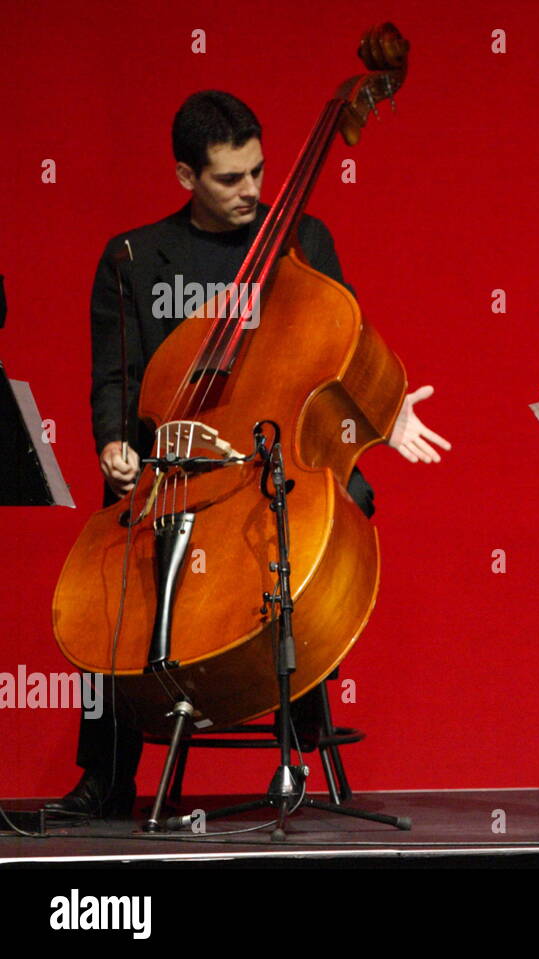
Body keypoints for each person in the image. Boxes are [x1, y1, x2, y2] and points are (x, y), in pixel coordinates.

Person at [48, 90, 450, 818]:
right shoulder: (135, 257)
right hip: (171, 465)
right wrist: (112, 443)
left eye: (259, 172)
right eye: (230, 179)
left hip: (266, 464)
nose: (252, 192)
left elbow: (336, 356)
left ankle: (300, 729)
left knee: (324, 507)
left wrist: (381, 414)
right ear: (184, 178)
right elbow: (114, 377)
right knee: (111, 571)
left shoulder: (302, 243)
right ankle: (105, 774)